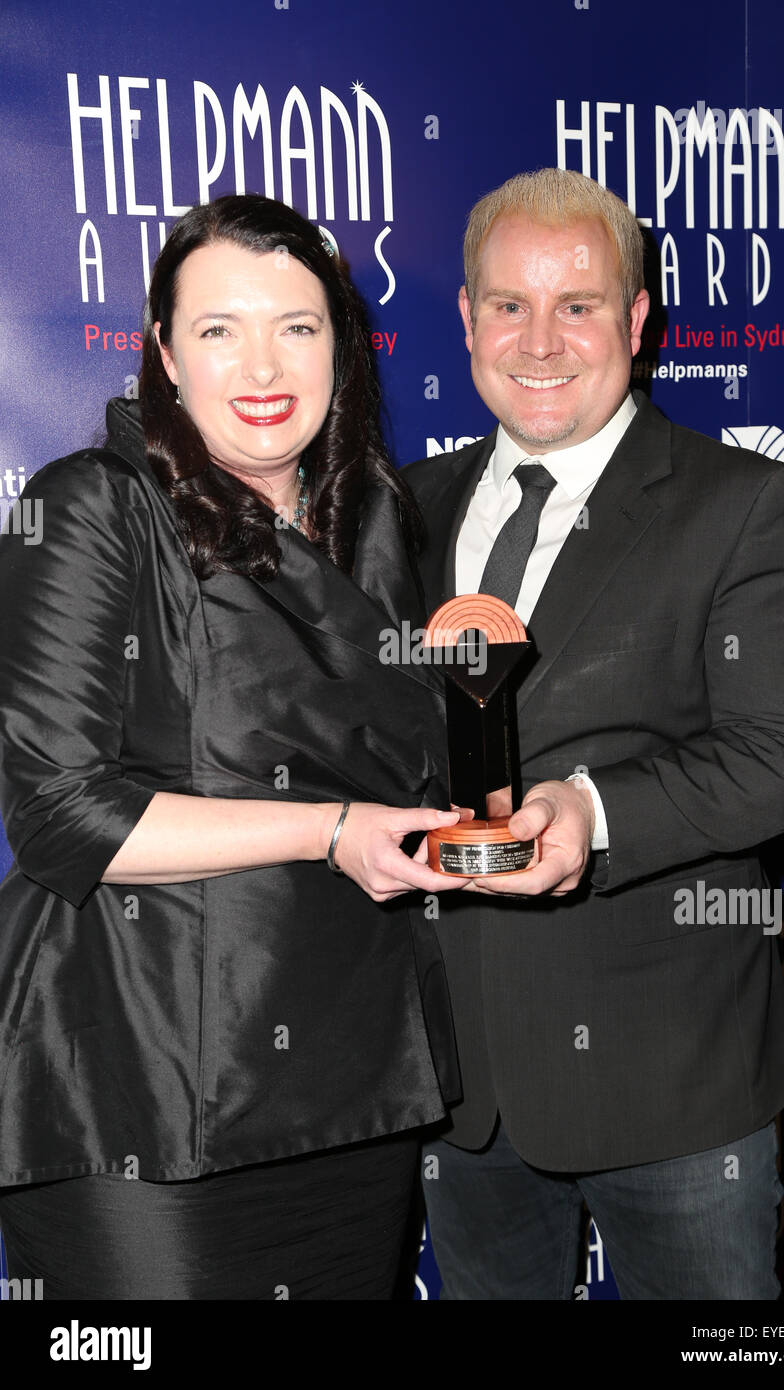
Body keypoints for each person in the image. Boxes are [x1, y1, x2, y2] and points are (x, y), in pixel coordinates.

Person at [0, 193, 467, 1300]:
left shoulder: (381, 522)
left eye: (295, 327)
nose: (262, 364)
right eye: (218, 329)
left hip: (352, 1082)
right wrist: (332, 828)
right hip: (143, 1083)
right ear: (162, 350)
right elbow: (63, 813)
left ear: (341, 347)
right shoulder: (95, 508)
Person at [403, 168, 784, 1300]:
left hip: (675, 1095)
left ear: (636, 321)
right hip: (459, 1094)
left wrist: (592, 812)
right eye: (507, 305)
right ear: (464, 319)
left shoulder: (742, 503)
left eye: (578, 305)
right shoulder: (397, 509)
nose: (539, 341)